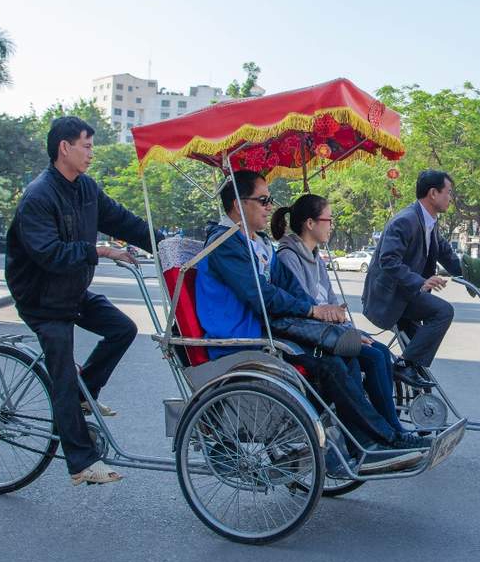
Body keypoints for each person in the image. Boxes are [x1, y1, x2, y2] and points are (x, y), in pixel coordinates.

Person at [196, 172, 425, 474]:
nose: (269, 207)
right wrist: (313, 311)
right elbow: (261, 295)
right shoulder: (225, 243)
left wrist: (320, 313)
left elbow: (289, 287)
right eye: (263, 200)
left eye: (269, 200)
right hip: (242, 336)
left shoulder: (259, 243)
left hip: (269, 328)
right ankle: (375, 440)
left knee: (346, 358)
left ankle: (367, 440)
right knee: (330, 365)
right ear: (239, 204)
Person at [6, 116, 162, 487]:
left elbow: (123, 221)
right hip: (41, 299)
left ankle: (83, 392)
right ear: (65, 148)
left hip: (71, 292)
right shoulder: (38, 196)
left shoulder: (85, 188)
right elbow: (50, 254)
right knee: (61, 375)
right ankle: (82, 462)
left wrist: (165, 244)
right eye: (87, 146)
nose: (91, 153)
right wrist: (101, 251)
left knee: (122, 329)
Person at [269, 193, 425, 446]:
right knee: (373, 357)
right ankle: (387, 432)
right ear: (310, 223)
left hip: (328, 329)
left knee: (381, 351)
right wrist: (342, 331)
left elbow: (332, 301)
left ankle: (388, 427)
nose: (332, 225)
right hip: (308, 332)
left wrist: (350, 330)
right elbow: (306, 306)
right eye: (328, 220)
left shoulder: (315, 257)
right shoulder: (289, 257)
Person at [362, 169, 464, 388]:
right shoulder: (406, 220)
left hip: (406, 294)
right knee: (443, 311)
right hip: (390, 297)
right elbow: (388, 260)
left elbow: (447, 255)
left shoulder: (430, 222)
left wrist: (471, 274)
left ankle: (410, 371)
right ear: (433, 193)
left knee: (420, 348)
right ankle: (404, 366)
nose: (451, 198)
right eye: (448, 192)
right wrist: (420, 281)